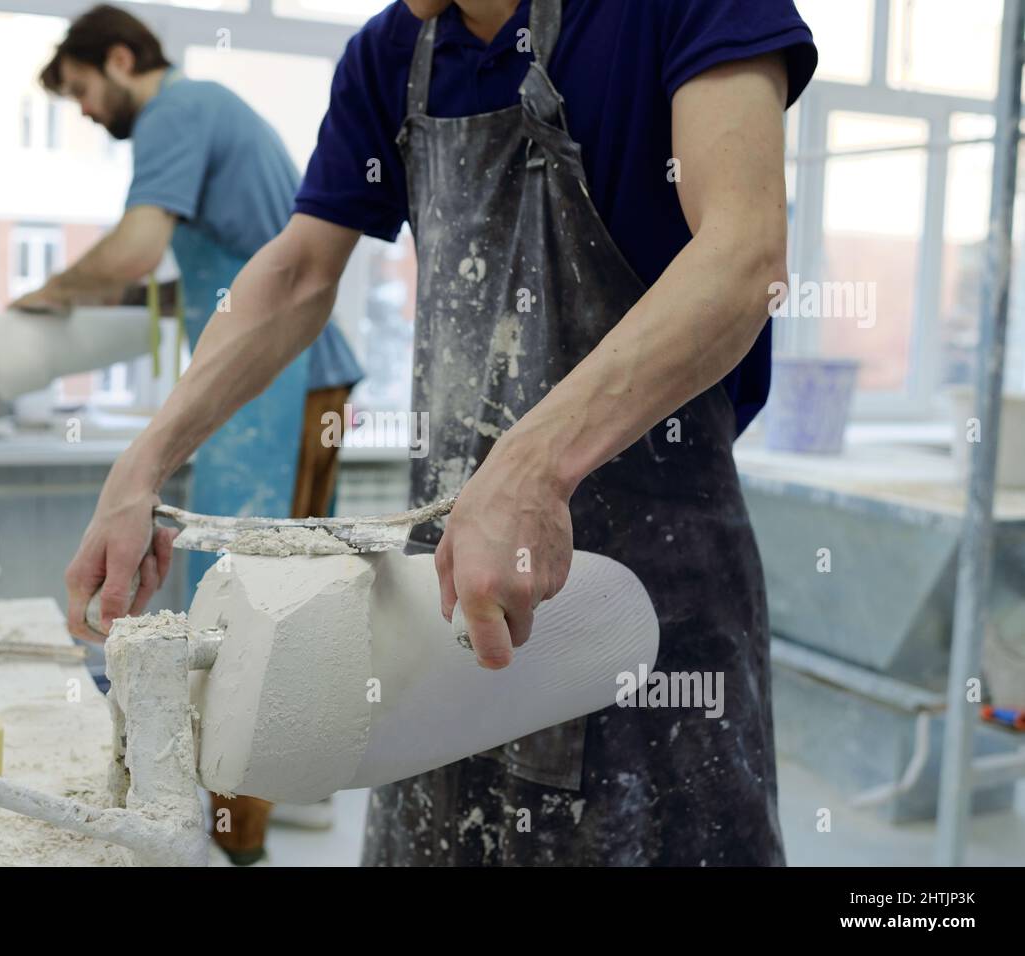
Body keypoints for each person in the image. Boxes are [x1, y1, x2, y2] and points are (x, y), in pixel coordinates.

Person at [66, 0, 818, 865]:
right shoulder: (393, 52)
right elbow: (303, 269)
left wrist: (533, 466)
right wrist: (144, 461)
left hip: (652, 592)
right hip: (452, 594)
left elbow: (743, 257)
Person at [24, 4, 362, 864]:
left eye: (81, 90)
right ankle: (250, 815)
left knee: (244, 610)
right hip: (286, 379)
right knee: (255, 604)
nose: (87, 112)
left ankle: (235, 841)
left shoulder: (175, 112)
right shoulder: (208, 112)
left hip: (285, 381)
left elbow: (138, 249)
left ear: (122, 57)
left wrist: (50, 293)